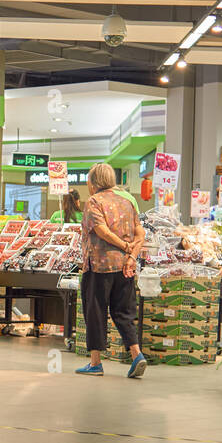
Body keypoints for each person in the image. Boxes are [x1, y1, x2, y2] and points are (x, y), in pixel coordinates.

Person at [75, 162, 147, 378]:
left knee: (95, 312)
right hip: (124, 267)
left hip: (99, 265)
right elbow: (140, 232)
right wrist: (132, 255)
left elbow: (102, 231)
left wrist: (125, 247)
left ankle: (95, 362)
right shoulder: (127, 201)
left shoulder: (94, 202)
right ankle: (137, 355)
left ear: (94, 182)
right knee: (124, 311)